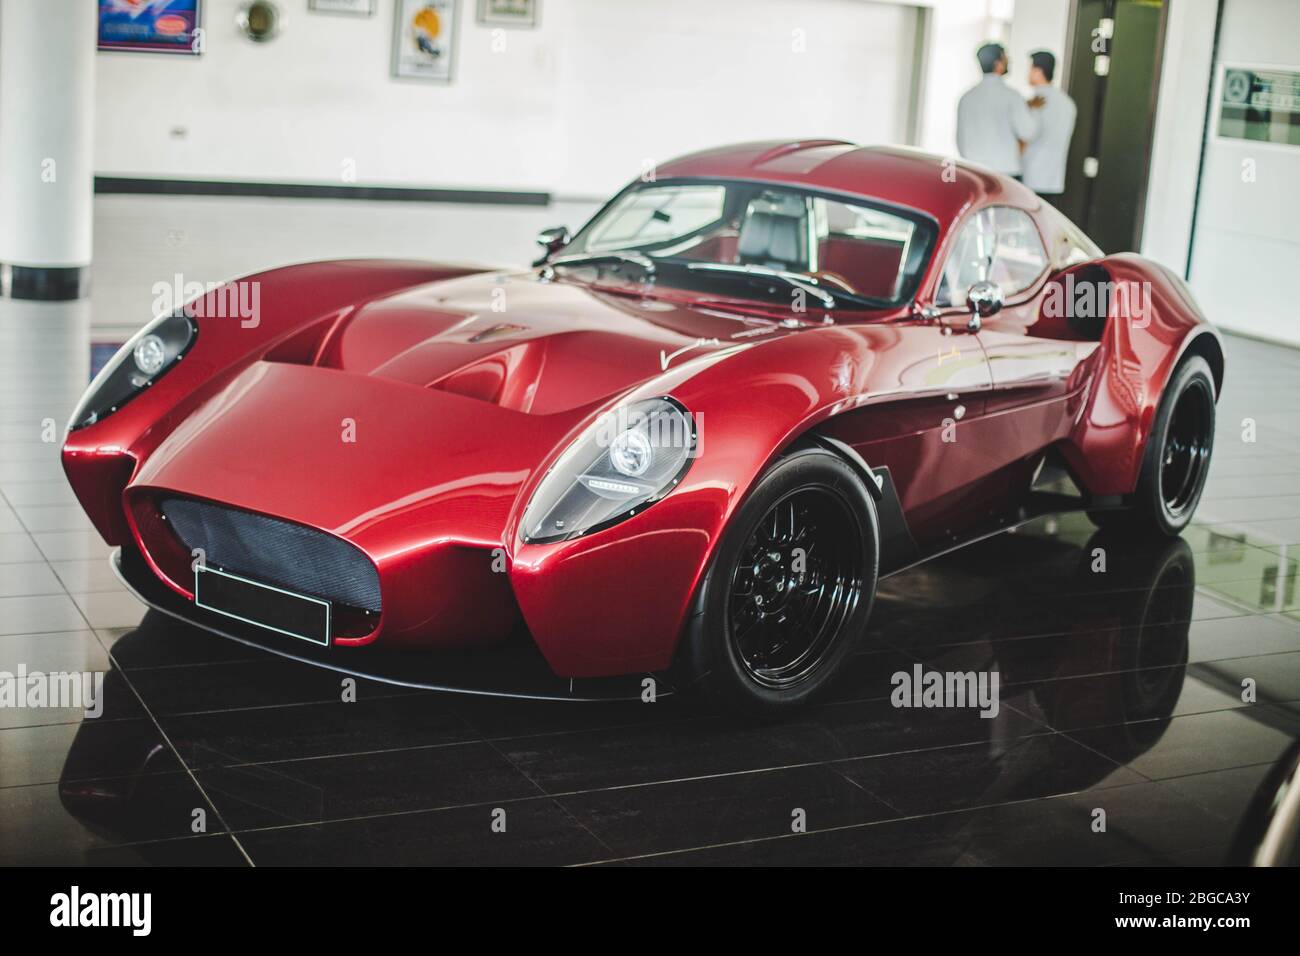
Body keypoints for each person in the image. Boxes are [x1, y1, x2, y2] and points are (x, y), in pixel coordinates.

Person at [956, 42, 1040, 179]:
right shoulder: (1012, 96)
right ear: (998, 64)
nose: (1009, 61)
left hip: (974, 172)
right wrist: (1033, 109)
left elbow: (960, 140)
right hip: (1006, 174)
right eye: (1005, 57)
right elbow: (1028, 132)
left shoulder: (966, 98)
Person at [1020, 50, 1077, 205]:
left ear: (1038, 71)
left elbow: (1025, 136)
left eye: (1030, 69)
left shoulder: (1033, 102)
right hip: (1054, 180)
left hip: (1029, 177)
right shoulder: (1068, 103)